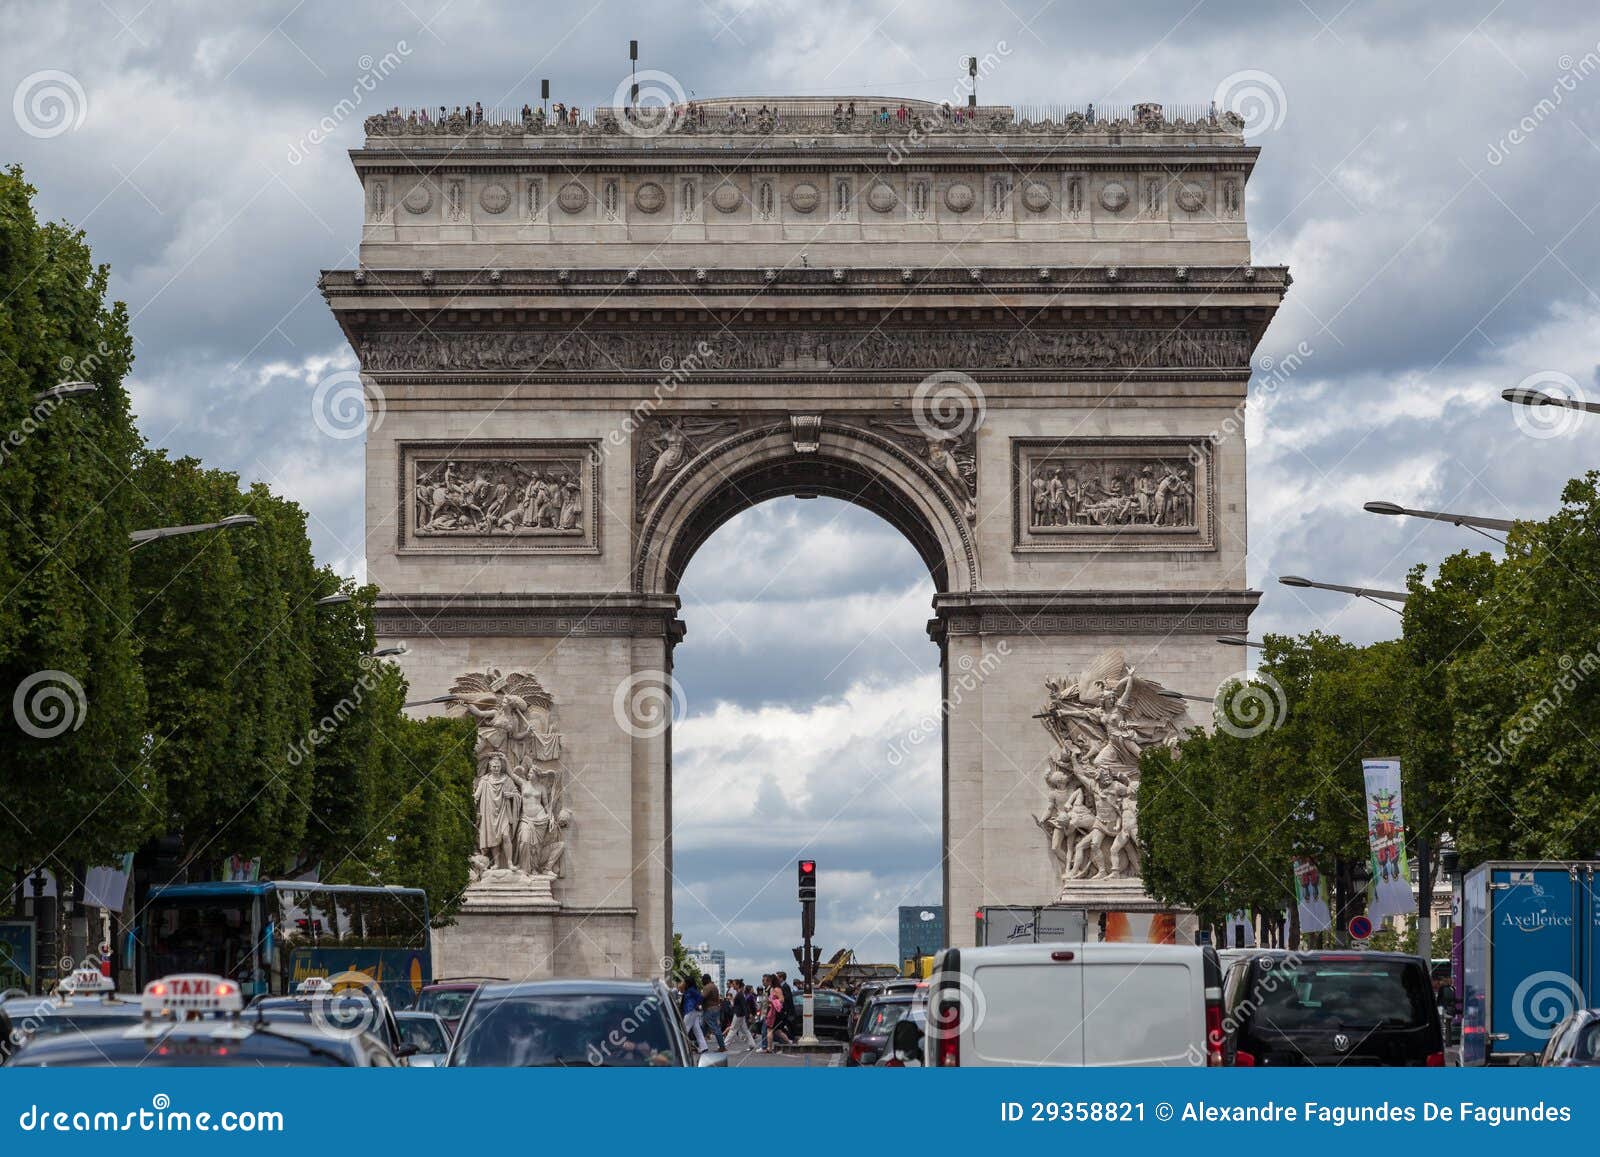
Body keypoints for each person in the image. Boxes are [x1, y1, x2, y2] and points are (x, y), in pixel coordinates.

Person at [699, 974, 726, 1051]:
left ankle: (722, 1046)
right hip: (714, 1009)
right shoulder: (714, 986)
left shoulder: (707, 987)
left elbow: (702, 997)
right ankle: (700, 1045)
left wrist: (696, 1002)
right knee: (703, 1028)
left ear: (706, 980)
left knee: (715, 1028)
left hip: (709, 1010)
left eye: (702, 980)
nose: (702, 981)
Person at [680, 974, 706, 1051]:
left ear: (687, 982)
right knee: (697, 1029)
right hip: (691, 1011)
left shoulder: (692, 990)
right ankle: (704, 1047)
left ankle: (682, 1047)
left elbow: (701, 997)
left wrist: (696, 1005)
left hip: (690, 1010)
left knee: (684, 1029)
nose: (683, 982)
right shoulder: (689, 990)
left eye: (684, 981)